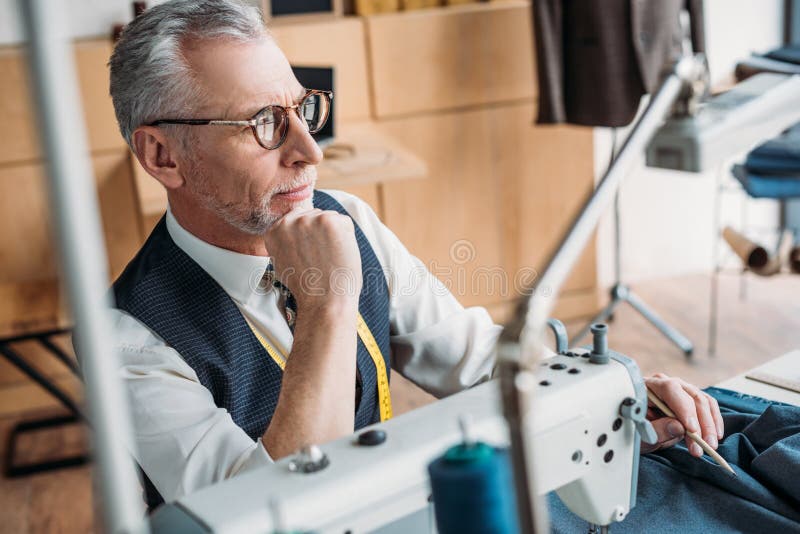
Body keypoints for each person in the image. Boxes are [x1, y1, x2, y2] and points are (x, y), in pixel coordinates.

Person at [107, 0, 724, 510]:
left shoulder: (351, 217)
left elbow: (478, 359)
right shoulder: (126, 339)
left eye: (303, 110)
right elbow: (272, 512)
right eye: (264, 124)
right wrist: (328, 306)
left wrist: (611, 389)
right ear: (163, 156)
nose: (309, 152)